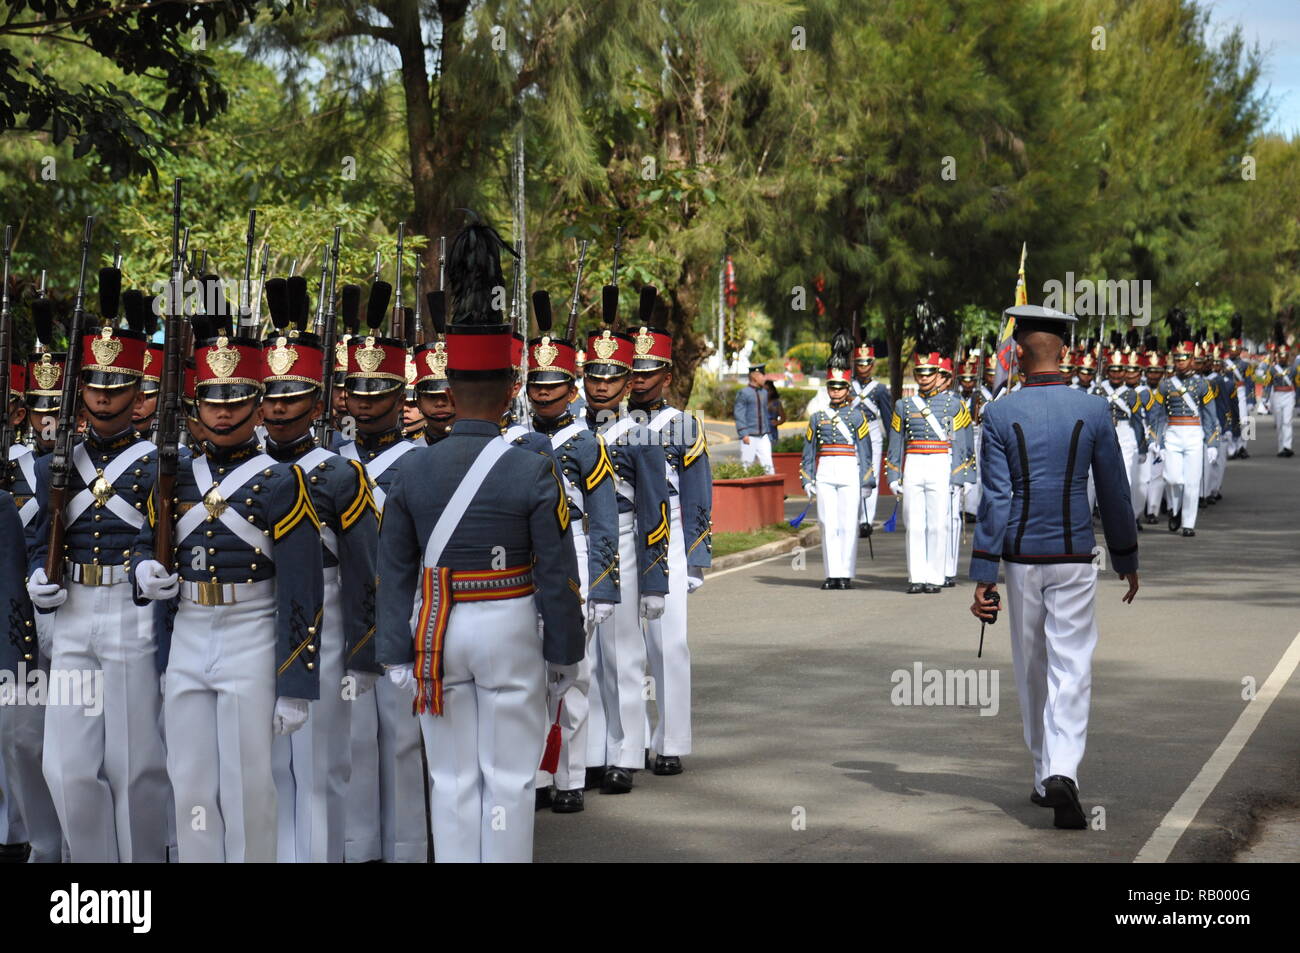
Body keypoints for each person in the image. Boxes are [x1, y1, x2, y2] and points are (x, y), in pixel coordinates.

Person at [375, 222, 586, 862]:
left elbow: (394, 572)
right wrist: (567, 651)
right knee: (511, 778)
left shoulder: (410, 468)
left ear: (447, 392)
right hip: (510, 627)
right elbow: (556, 573)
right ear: (511, 392)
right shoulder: (532, 464)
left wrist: (392, 654)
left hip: (436, 632)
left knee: (452, 777)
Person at [132, 327, 324, 862]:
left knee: (246, 783)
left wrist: (296, 681)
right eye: (212, 402)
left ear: (257, 408)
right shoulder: (174, 477)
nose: (222, 414)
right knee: (189, 780)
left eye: (235, 402)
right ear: (195, 409)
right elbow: (145, 543)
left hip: (252, 630)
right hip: (190, 628)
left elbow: (302, 588)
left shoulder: (282, 481)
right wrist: (143, 571)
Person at [970, 304, 1139, 831]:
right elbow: (1113, 490)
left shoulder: (997, 415)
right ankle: (1063, 769)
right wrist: (1127, 557)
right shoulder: (1092, 412)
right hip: (1075, 557)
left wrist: (982, 576)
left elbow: (995, 500)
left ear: (1017, 351)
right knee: (1073, 666)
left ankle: (1046, 775)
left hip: (1021, 561)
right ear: (1065, 350)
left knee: (1032, 668)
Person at [27, 318, 172, 863]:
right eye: (95, 387)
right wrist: (37, 578)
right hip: (71, 612)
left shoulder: (160, 463)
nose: (104, 399)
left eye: (117, 389)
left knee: (134, 764)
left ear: (139, 394)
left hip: (130, 611)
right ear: (79, 391)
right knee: (62, 765)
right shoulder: (54, 467)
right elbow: (44, 537)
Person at [260, 323, 380, 864]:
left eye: (294, 397)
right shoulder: (249, 473)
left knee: (319, 766)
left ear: (318, 404)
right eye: (272, 398)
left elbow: (364, 571)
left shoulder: (340, 475)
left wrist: (363, 650)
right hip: (254, 619)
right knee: (265, 767)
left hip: (323, 626)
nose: (281, 410)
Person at [335, 304, 427, 864]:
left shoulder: (422, 463)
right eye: (358, 392)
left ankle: (408, 847)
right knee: (349, 736)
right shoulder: (327, 461)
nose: (367, 404)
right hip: (342, 609)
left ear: (400, 397)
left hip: (403, 607)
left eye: (379, 393)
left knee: (401, 736)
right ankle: (359, 845)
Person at [526, 311, 619, 811]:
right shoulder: (515, 443)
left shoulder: (588, 444)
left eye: (553, 385)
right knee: (532, 676)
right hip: (529, 565)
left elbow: (604, 520)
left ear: (571, 388)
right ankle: (540, 776)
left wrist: (604, 587)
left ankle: (571, 777)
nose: (543, 394)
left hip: (577, 560)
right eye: (537, 386)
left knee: (573, 676)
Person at [582, 327, 669, 793]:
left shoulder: (640, 437)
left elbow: (655, 511)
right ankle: (593, 751)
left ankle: (626, 751)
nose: (601, 387)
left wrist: (656, 579)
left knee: (621, 654)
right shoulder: (569, 435)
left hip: (621, 543)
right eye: (594, 377)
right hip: (577, 544)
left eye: (611, 379)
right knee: (584, 660)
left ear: (626, 382)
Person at [628, 312, 712, 774]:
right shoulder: (605, 422)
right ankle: (630, 737)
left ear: (667, 375)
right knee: (621, 645)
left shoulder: (683, 424)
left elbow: (698, 491)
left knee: (668, 642)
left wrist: (697, 556)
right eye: (633, 372)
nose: (640, 381)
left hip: (670, 535)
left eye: (648, 372)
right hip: (620, 533)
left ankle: (672, 741)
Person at [884, 350, 976, 594]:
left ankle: (935, 577)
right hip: (913, 462)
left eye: (929, 372)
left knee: (938, 523)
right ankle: (917, 576)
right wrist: (893, 474)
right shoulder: (903, 405)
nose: (924, 377)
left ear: (938, 374)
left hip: (940, 462)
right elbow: (896, 442)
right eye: (920, 372)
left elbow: (962, 442)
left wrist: (963, 475)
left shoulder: (953, 405)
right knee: (914, 523)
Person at [800, 329, 874, 589]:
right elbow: (808, 450)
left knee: (847, 524)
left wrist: (868, 481)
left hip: (847, 469)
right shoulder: (817, 417)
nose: (836, 391)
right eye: (832, 386)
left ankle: (846, 573)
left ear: (847, 388)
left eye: (841, 386)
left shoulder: (857, 417)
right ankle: (832, 574)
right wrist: (807, 478)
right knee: (827, 523)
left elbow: (865, 451)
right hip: (826, 471)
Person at [1157, 340, 1215, 536]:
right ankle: (1175, 508)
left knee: (1192, 482)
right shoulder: (1165, 385)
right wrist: (1157, 441)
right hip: (1172, 433)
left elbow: (1209, 414)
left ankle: (1188, 523)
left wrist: (1212, 442)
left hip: (1193, 434)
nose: (1180, 362)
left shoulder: (1202, 384)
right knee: (1172, 478)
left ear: (1192, 359)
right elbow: (1158, 414)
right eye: (1177, 358)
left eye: (1185, 358)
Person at [850, 338, 893, 532]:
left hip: (871, 431)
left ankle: (866, 518)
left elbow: (886, 416)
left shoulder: (880, 389)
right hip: (850, 432)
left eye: (866, 363)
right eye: (859, 363)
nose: (863, 367)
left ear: (873, 364)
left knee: (871, 473)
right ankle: (851, 514)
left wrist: (893, 442)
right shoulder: (847, 386)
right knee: (850, 472)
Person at [734, 363, 774, 473]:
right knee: (746, 466)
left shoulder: (764, 392)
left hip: (763, 435)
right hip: (749, 436)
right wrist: (744, 433)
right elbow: (739, 414)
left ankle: (771, 489)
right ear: (754, 377)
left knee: (769, 466)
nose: (764, 378)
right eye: (762, 375)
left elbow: (764, 414)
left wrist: (768, 433)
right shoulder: (744, 393)